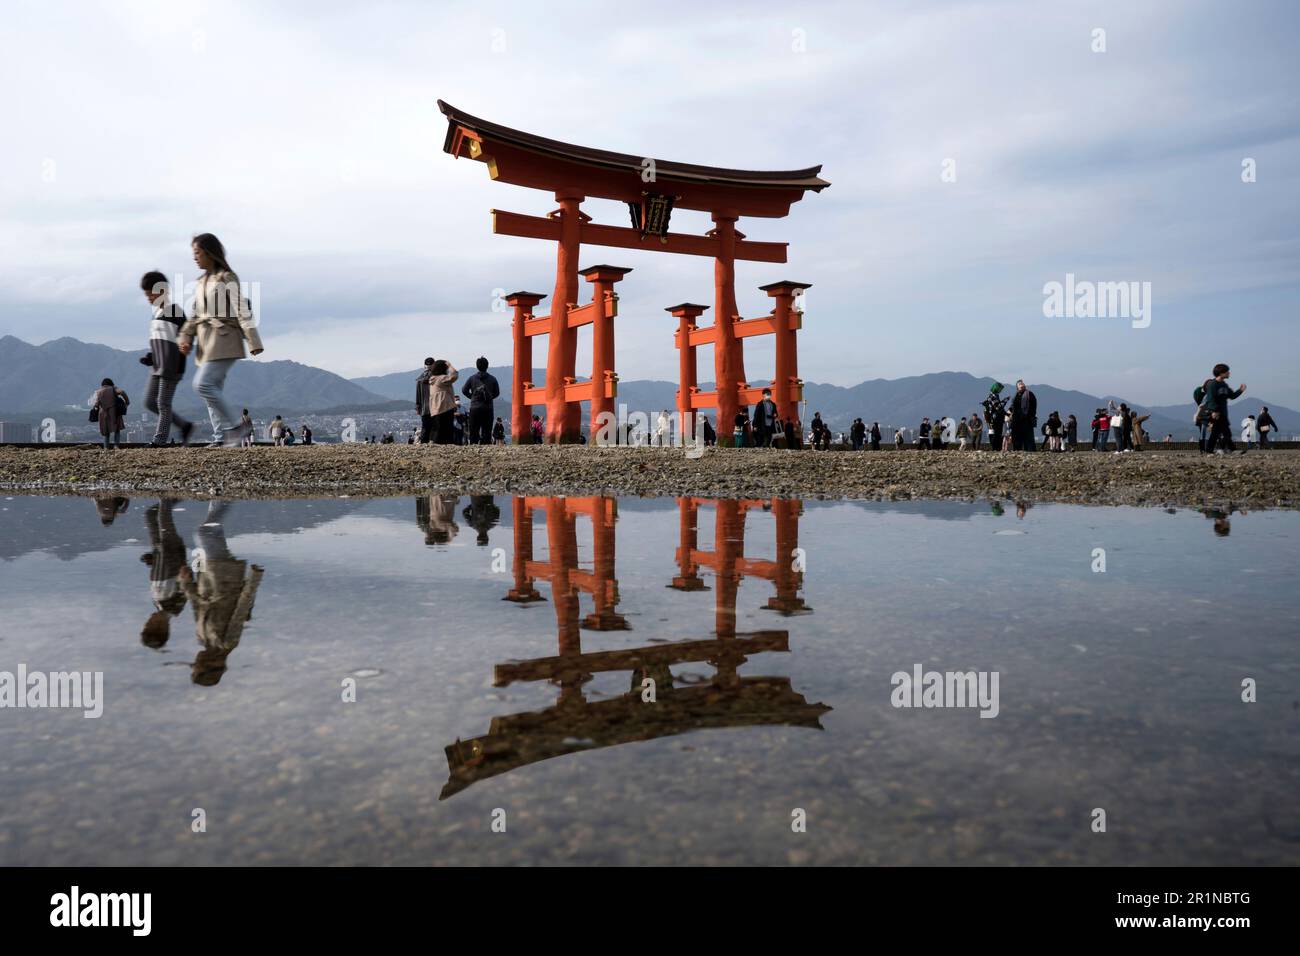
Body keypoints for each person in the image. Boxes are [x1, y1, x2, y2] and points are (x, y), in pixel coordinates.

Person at [177, 233, 262, 447]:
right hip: (206, 343)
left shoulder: (227, 277)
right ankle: (220, 437)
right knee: (211, 393)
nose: (194, 257)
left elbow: (242, 310)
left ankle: (236, 427)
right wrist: (186, 336)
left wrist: (253, 341)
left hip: (225, 339)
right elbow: (195, 314)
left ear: (209, 252)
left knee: (202, 384)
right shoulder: (200, 282)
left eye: (197, 253)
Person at [138, 271, 194, 446]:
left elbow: (186, 334)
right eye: (146, 294)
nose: (148, 297)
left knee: (163, 403)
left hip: (172, 366)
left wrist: (185, 345)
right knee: (149, 402)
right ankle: (184, 426)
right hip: (157, 366)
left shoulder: (175, 311)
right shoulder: (155, 315)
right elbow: (159, 343)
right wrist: (150, 357)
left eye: (150, 293)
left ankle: (159, 440)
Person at [1202, 363, 1246, 454]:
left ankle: (1210, 450)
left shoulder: (1224, 385)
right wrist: (1214, 411)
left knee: (1217, 433)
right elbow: (1210, 398)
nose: (1229, 373)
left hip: (1223, 413)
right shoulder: (1213, 384)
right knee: (1226, 433)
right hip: (1216, 413)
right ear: (1221, 373)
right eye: (1227, 372)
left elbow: (1232, 396)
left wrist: (1240, 390)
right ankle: (1230, 450)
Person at [461, 357, 500, 445]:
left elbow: (464, 390)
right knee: (487, 431)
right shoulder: (493, 379)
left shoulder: (472, 378)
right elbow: (497, 393)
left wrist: (472, 397)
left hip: (475, 407)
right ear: (487, 366)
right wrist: (489, 398)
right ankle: (485, 446)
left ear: (477, 366)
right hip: (488, 408)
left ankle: (473, 447)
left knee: (474, 430)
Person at [423, 360, 459, 444]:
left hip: (435, 408)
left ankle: (435, 444)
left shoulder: (432, 379)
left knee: (437, 429)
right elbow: (454, 375)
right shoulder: (442, 378)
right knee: (448, 429)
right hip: (445, 406)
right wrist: (449, 365)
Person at [90, 378, 128, 449]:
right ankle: (116, 446)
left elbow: (96, 404)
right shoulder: (113, 389)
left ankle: (106, 448)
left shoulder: (99, 392)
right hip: (114, 412)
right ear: (111, 383)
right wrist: (127, 402)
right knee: (116, 429)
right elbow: (122, 392)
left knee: (106, 432)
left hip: (103, 414)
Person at [1009, 380, 1037, 451]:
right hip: (1016, 419)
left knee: (1028, 436)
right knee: (1016, 436)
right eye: (1019, 384)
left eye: (1022, 383)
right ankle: (1017, 450)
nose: (1021, 385)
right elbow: (1012, 406)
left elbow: (1034, 405)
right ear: (1017, 387)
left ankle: (1030, 450)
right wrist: (1008, 414)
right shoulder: (1015, 395)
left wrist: (1031, 415)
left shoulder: (1029, 394)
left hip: (1026, 418)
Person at [415, 357, 437, 443]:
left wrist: (418, 407)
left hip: (424, 407)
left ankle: (424, 445)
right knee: (435, 428)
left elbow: (418, 395)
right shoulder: (436, 377)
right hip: (435, 407)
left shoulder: (419, 379)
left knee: (425, 427)